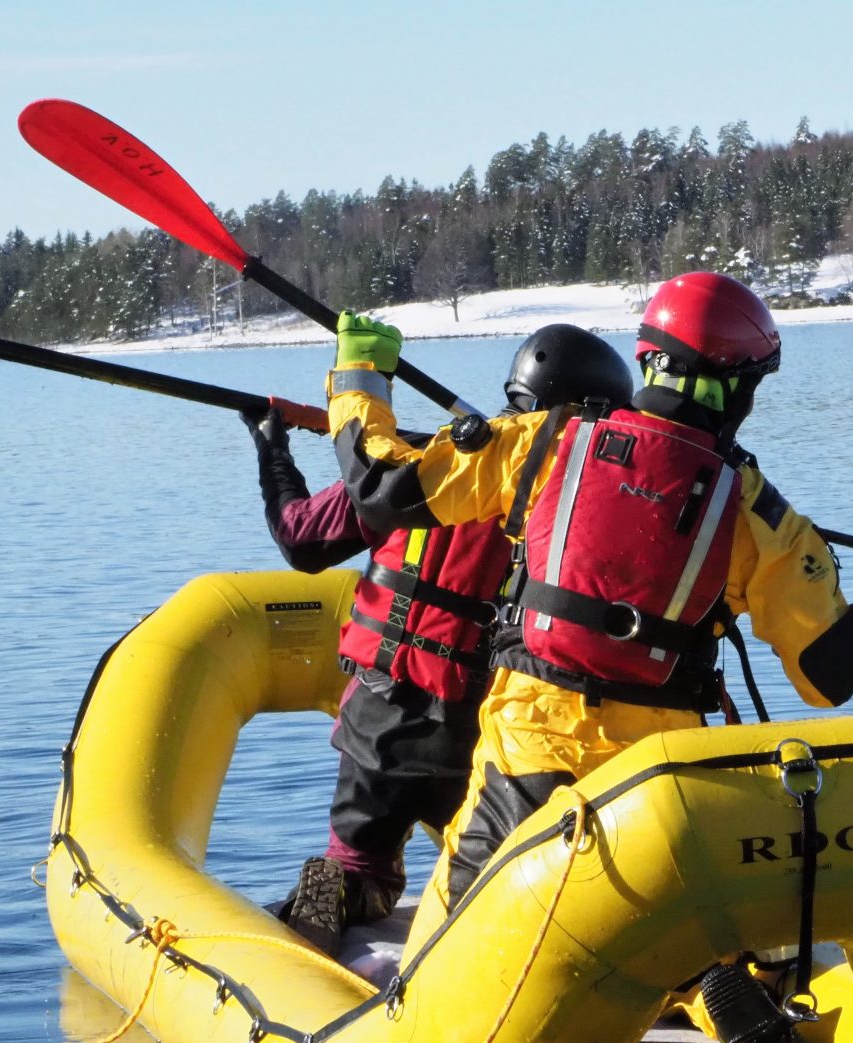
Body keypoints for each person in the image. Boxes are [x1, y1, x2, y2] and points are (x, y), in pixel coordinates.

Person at [323, 272, 853, 944]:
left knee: (431, 940)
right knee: (673, 936)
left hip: (518, 760)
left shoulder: (538, 442)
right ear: (736, 386)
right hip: (657, 778)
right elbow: (828, 678)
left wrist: (358, 380)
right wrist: (813, 567)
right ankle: (718, 994)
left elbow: (375, 490)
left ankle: (356, 946)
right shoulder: (756, 509)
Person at [245, 323, 635, 954]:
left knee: (359, 860)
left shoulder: (421, 468)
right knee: (498, 874)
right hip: (480, 733)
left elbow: (301, 538)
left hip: (378, 718)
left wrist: (272, 449)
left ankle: (342, 885)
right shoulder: (576, 502)